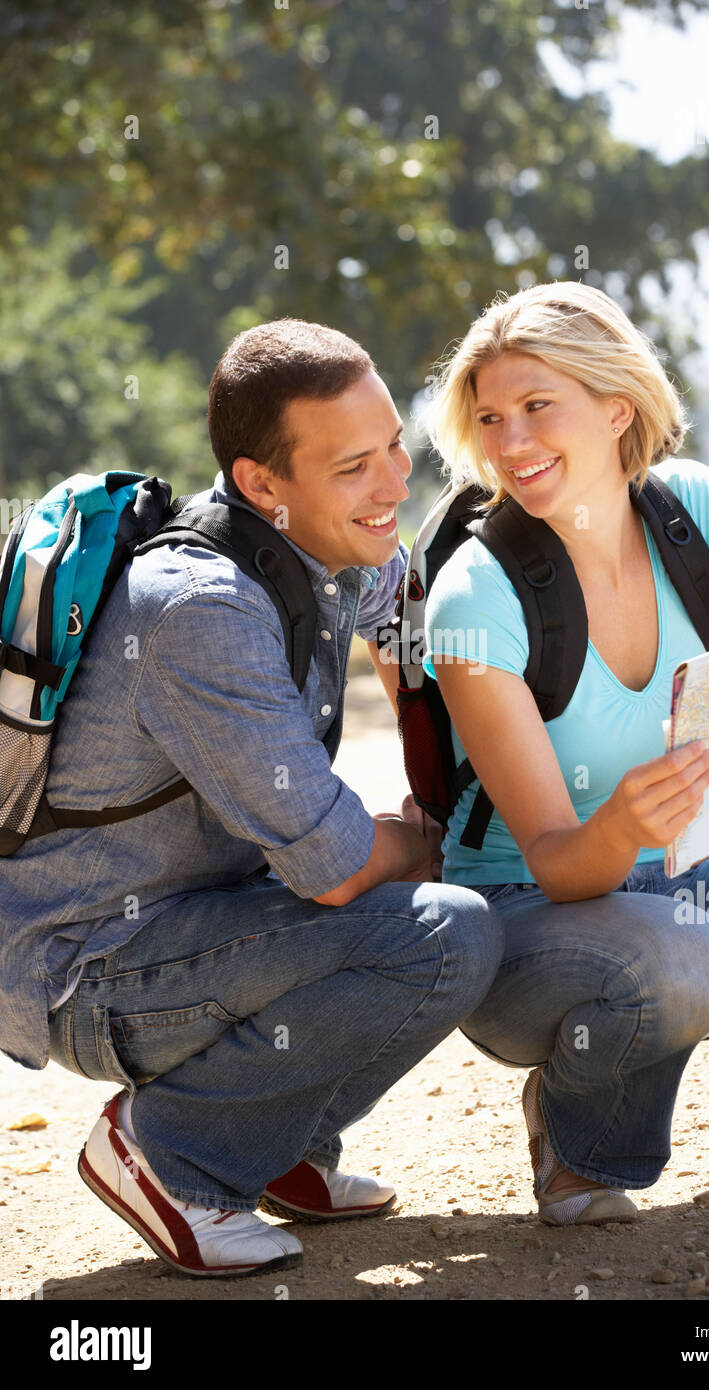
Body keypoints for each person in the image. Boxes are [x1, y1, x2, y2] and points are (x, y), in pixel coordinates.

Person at [0, 318, 502, 1277]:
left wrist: (426, 753)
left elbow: (400, 616)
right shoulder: (201, 608)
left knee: (427, 912)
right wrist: (422, 839)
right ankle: (172, 1155)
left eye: (395, 444)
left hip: (193, 920)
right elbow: (340, 864)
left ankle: (280, 1146)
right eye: (356, 465)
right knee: (443, 930)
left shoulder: (318, 545)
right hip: (85, 962)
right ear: (262, 483)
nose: (397, 482)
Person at [421, 280, 709, 1226]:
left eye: (539, 407)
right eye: (491, 417)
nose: (510, 443)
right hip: (531, 925)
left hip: (686, 889)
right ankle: (580, 1141)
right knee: (681, 951)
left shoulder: (694, 507)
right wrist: (621, 823)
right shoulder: (475, 596)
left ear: (616, 407)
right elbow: (554, 857)